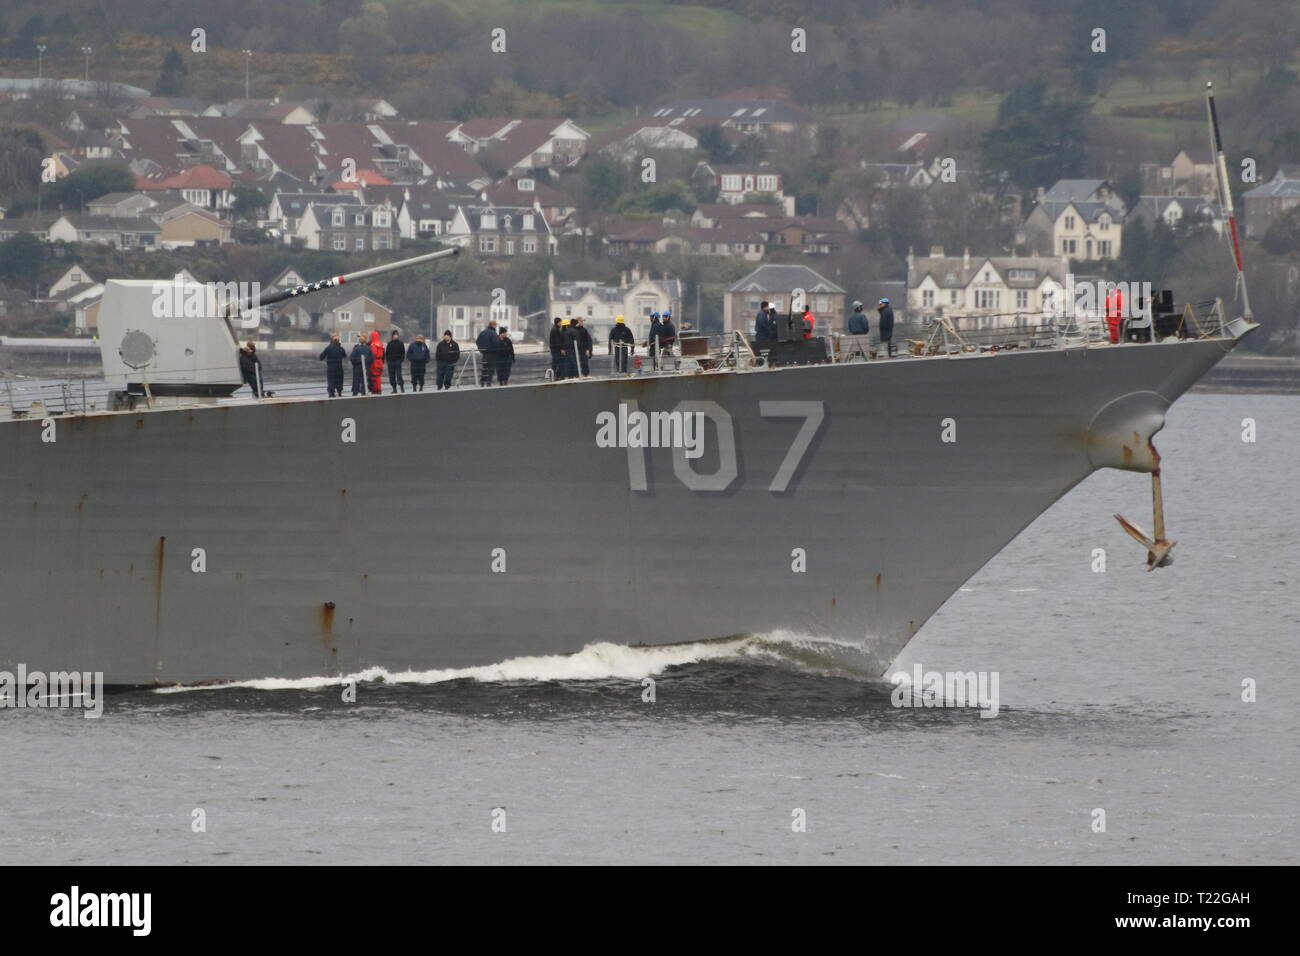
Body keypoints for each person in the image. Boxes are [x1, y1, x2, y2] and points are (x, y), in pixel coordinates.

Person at [319, 331, 347, 397]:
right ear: (338, 340)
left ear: (331, 339)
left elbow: (321, 357)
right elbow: (344, 355)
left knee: (331, 380)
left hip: (331, 367)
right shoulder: (341, 348)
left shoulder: (328, 348)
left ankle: (331, 393)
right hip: (339, 367)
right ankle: (339, 392)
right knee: (339, 380)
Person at [476, 319, 498, 386]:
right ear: (493, 325)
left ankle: (482, 383)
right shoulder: (493, 333)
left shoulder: (483, 332)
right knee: (491, 369)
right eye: (495, 325)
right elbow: (496, 343)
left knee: (484, 368)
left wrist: (481, 350)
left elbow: (477, 341)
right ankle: (488, 383)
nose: (496, 326)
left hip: (484, 354)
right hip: (492, 354)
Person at [367, 329, 385, 393]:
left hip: (375, 362)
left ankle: (375, 389)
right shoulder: (381, 344)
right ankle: (379, 389)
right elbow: (383, 354)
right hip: (380, 361)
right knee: (378, 376)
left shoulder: (373, 345)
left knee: (374, 376)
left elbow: (373, 354)